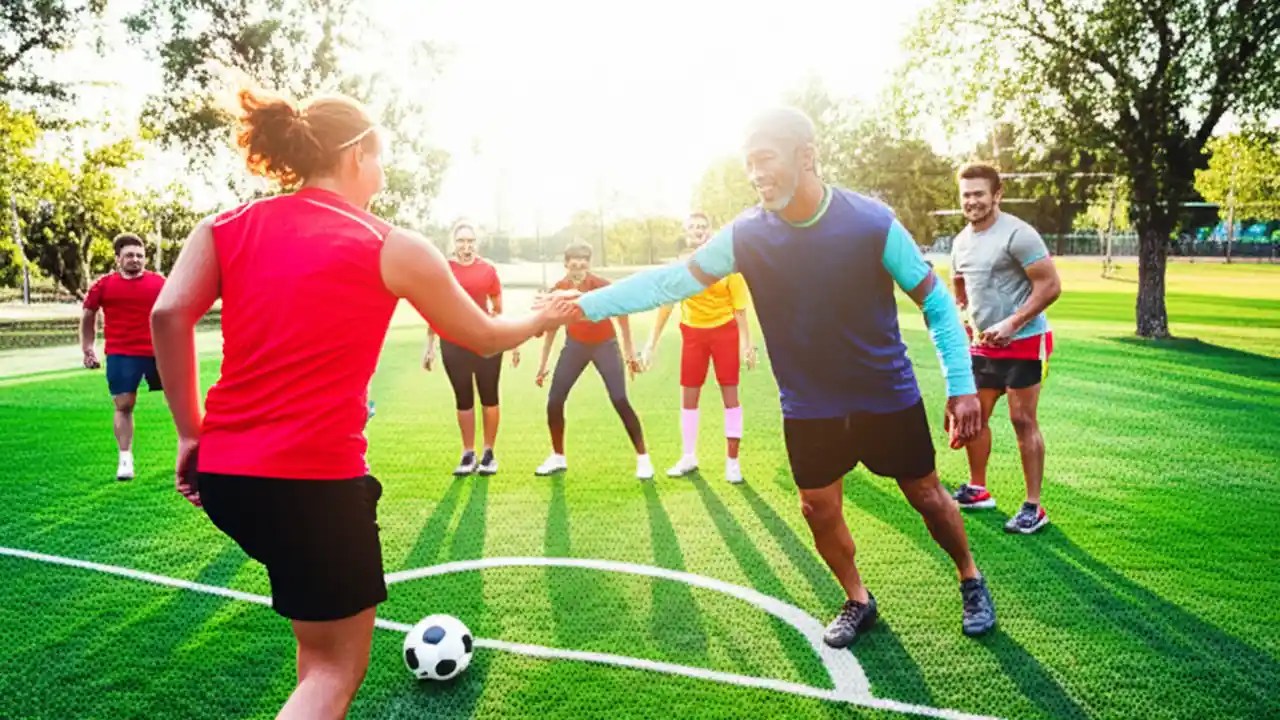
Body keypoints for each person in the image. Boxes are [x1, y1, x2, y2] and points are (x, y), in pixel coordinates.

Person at [150, 86, 573, 720]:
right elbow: (482, 334)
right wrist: (543, 317)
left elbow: (167, 313)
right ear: (355, 156)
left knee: (315, 650)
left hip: (228, 480)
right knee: (331, 671)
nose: (383, 171)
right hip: (313, 486)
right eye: (380, 157)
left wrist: (190, 433)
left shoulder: (225, 226)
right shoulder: (387, 243)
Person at [549, 107, 997, 646]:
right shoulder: (745, 235)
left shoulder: (872, 221)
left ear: (805, 156)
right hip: (809, 405)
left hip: (885, 392)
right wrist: (589, 302)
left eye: (766, 160)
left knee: (926, 496)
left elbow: (937, 304)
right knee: (817, 508)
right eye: (749, 164)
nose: (756, 174)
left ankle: (970, 577)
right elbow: (673, 283)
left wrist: (962, 385)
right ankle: (858, 599)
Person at [948, 163, 1062, 534]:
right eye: (966, 194)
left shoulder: (1019, 234)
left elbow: (1050, 286)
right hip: (984, 346)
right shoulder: (960, 242)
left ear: (997, 195)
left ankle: (1033, 506)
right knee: (973, 417)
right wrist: (966, 322)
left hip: (1026, 341)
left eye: (979, 193)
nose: (972, 201)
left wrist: (1012, 323)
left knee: (1021, 420)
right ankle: (978, 489)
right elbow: (961, 288)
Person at [641, 211, 756, 484]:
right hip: (693, 335)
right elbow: (666, 305)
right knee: (689, 397)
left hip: (724, 333)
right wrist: (650, 344)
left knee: (730, 395)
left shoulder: (728, 264)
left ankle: (732, 463)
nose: (697, 230)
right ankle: (689, 457)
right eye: (692, 226)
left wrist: (747, 345)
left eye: (702, 226)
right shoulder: (680, 267)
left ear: (710, 231)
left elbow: (740, 309)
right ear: (686, 232)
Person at [533, 242, 652, 480]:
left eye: (583, 262)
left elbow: (622, 314)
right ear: (566, 265)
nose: (579, 267)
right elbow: (551, 328)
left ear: (589, 264)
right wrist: (543, 363)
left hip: (604, 346)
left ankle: (643, 459)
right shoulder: (559, 289)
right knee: (554, 401)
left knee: (619, 399)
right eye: (574, 263)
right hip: (575, 347)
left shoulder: (601, 286)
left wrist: (629, 353)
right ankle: (558, 457)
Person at [424, 220, 520, 476]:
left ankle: (488, 453)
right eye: (461, 241)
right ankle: (468, 453)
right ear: (453, 243)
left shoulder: (488, 270)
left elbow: (498, 309)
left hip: (486, 341)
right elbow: (436, 308)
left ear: (476, 243)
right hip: (454, 342)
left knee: (489, 396)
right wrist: (430, 345)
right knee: (463, 398)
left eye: (470, 241)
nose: (466, 246)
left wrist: (509, 339)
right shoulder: (444, 269)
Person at [81, 233, 167, 481]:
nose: (135, 259)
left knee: (179, 401)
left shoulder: (159, 283)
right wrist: (88, 347)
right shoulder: (104, 285)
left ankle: (195, 452)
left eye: (140, 255)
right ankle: (125, 459)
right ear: (118, 258)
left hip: (158, 352)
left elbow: (177, 308)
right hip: (122, 353)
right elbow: (88, 314)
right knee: (124, 405)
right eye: (129, 255)